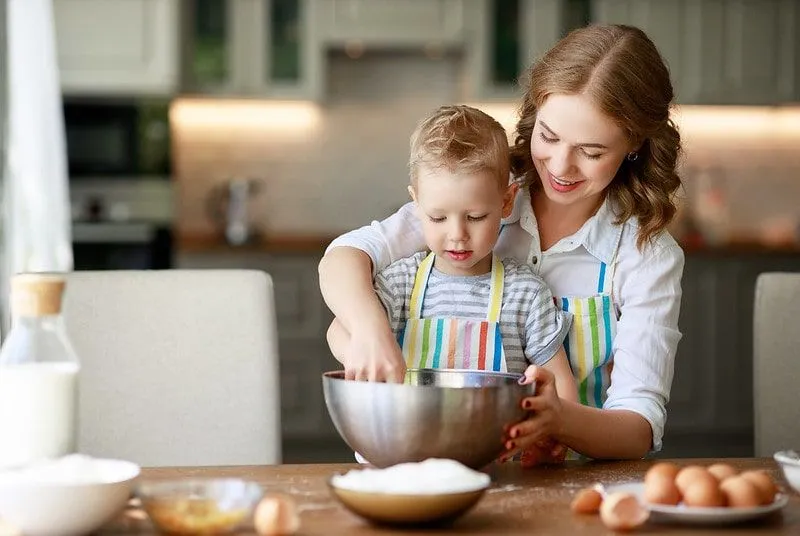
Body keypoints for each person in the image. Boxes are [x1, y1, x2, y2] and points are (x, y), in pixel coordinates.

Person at [319, 24, 684, 462]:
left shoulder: (645, 254)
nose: (561, 166)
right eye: (548, 137)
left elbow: (637, 428)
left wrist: (559, 421)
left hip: (565, 484)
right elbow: (343, 258)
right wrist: (371, 332)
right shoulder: (475, 202)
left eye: (590, 151)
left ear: (634, 145)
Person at [327, 104, 576, 393]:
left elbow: (561, 386)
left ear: (506, 202)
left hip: (499, 438)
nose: (457, 235)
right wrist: (365, 351)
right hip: (409, 435)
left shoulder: (525, 295)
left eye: (475, 217)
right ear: (416, 203)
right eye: (438, 218)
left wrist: (556, 433)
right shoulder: (400, 284)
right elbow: (337, 331)